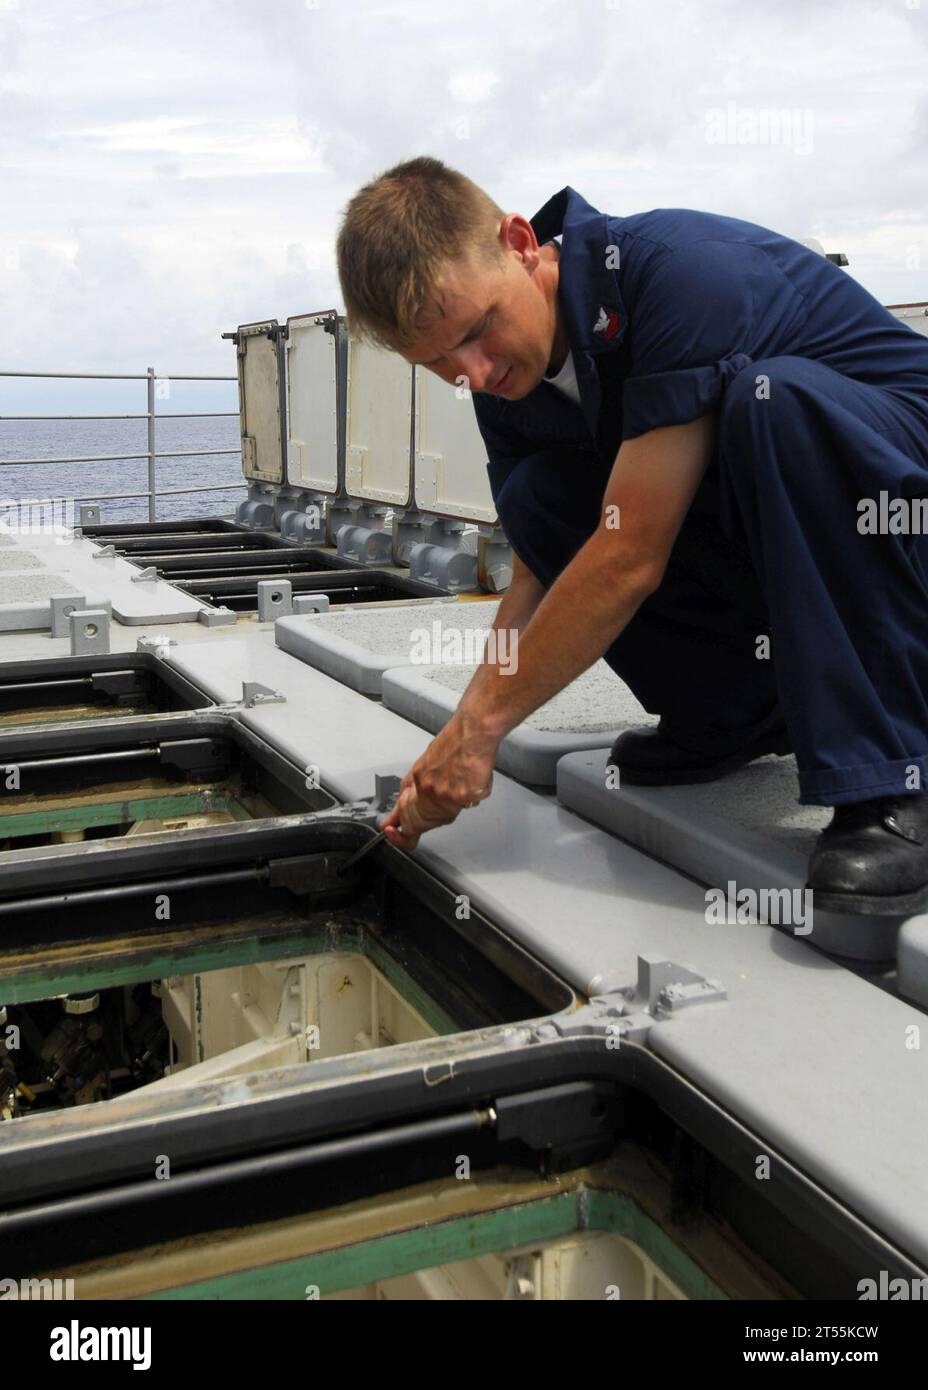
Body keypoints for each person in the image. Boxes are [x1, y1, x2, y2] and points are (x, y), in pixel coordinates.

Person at [335, 155, 928, 916]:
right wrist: (459, 731)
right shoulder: (505, 381)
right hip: (807, 539)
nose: (473, 373)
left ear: (520, 242)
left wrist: (482, 732)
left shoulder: (678, 278)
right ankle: (735, 715)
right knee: (539, 498)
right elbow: (535, 573)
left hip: (901, 512)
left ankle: (893, 779)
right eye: (440, 363)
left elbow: (630, 554)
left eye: (479, 332)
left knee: (771, 404)